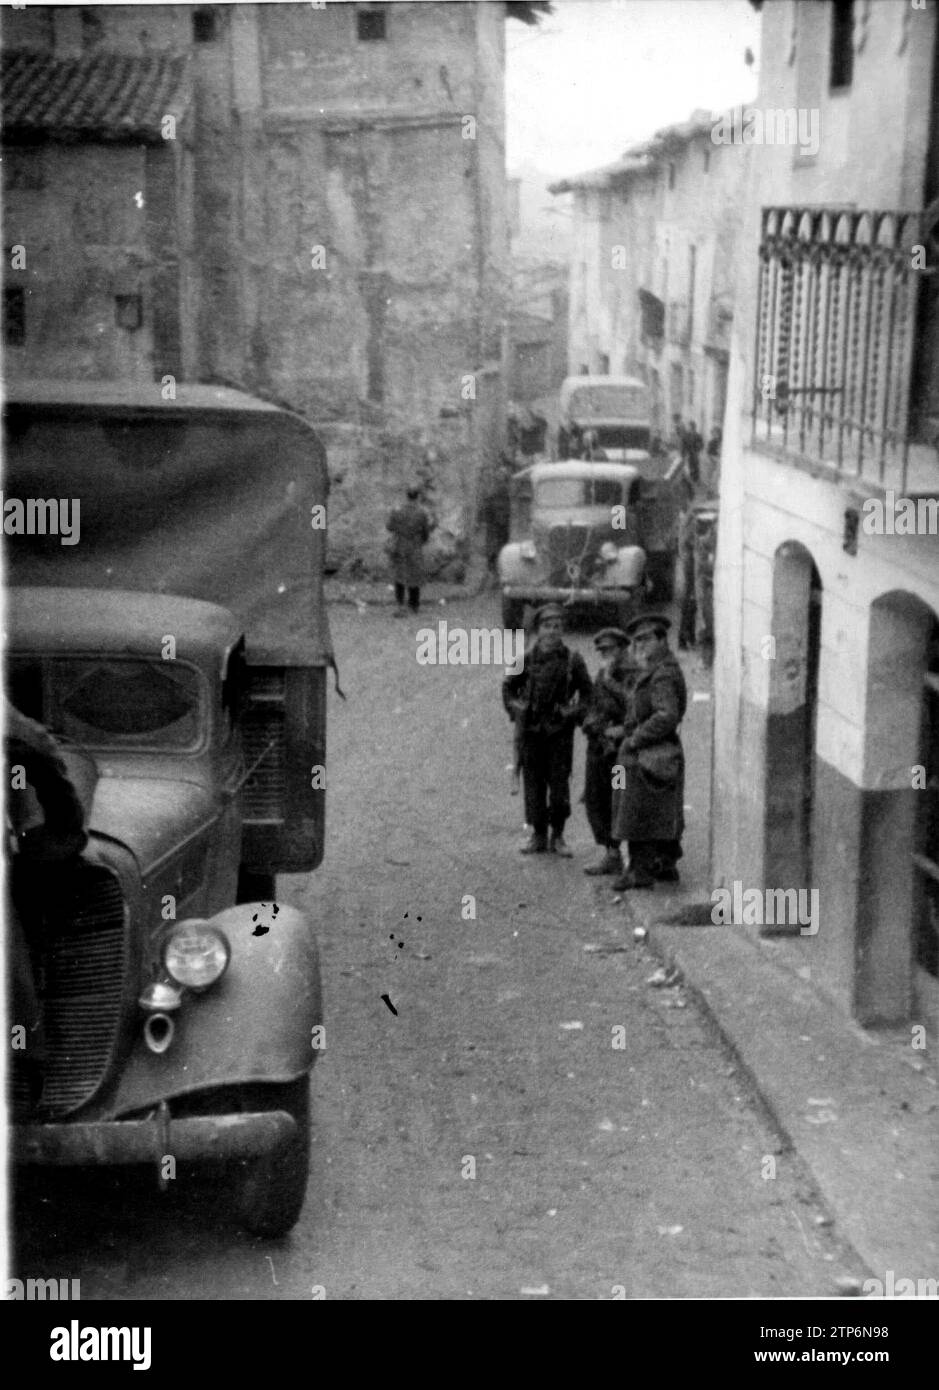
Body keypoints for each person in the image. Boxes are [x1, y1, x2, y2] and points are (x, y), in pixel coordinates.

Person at [503, 603, 592, 856]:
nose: (553, 632)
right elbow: (508, 688)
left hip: (559, 733)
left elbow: (588, 695)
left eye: (557, 627)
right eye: (547, 627)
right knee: (533, 785)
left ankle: (559, 836)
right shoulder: (525, 660)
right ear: (538, 630)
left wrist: (572, 713)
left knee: (559, 786)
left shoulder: (573, 661)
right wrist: (517, 709)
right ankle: (538, 835)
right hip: (531, 732)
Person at [610, 614, 688, 889]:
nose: (639, 645)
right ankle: (656, 864)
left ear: (662, 640)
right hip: (639, 751)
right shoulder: (653, 668)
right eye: (636, 640)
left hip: (650, 753)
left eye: (646, 639)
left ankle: (640, 870)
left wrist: (635, 739)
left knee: (637, 811)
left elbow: (667, 715)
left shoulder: (663, 673)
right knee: (633, 805)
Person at [581, 628, 636, 876]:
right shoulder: (603, 673)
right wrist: (591, 721)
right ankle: (609, 852)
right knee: (595, 798)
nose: (606, 654)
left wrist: (619, 730)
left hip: (620, 753)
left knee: (618, 798)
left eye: (610, 650)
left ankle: (618, 852)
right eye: (602, 651)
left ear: (622, 649)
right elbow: (593, 702)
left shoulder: (631, 675)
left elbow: (635, 708)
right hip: (599, 748)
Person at [386, 486, 432, 616]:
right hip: (414, 546)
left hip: (399, 546)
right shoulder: (421, 513)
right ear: (417, 497)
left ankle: (400, 603)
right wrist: (421, 541)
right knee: (414, 575)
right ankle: (414, 605)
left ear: (406, 495)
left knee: (399, 575)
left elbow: (389, 527)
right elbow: (425, 532)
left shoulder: (396, 511)